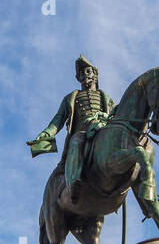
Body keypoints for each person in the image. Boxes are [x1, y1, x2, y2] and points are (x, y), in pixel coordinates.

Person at [27, 55, 116, 205]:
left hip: (103, 132)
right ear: (77, 77)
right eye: (81, 73)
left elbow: (116, 117)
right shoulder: (71, 97)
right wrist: (46, 133)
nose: (84, 75)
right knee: (77, 141)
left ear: (95, 74)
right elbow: (58, 119)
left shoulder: (105, 97)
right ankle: (74, 183)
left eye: (88, 71)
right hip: (81, 134)